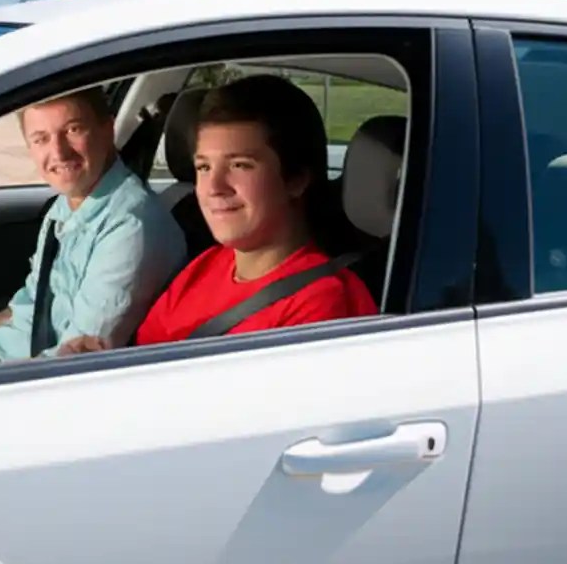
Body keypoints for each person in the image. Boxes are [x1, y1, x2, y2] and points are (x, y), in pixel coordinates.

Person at [58, 74, 376, 355]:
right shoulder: (207, 264)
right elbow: (150, 361)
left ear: (296, 179)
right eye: (204, 167)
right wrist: (102, 360)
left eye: (240, 165)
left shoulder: (321, 305)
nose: (214, 187)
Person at [0, 86, 188, 373]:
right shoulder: (67, 206)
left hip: (22, 387)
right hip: (0, 365)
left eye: (72, 130)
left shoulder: (130, 227)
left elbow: (72, 366)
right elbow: (26, 312)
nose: (58, 152)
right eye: (41, 139)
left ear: (107, 129)